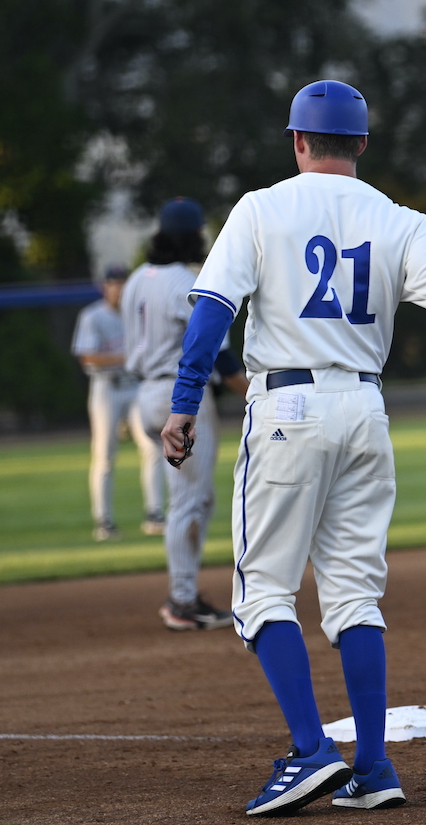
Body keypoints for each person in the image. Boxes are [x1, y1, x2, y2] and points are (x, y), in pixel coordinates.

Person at [160, 79, 426, 816]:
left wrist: (185, 399)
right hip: (365, 408)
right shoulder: (399, 220)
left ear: (296, 141)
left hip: (286, 404)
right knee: (354, 594)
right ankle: (375, 766)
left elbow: (212, 312)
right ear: (360, 144)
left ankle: (312, 751)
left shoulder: (261, 208)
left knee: (262, 594)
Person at [123, 197, 249, 631]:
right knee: (189, 500)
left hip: (146, 393)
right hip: (181, 398)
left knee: (195, 498)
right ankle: (181, 601)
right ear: (192, 236)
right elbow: (222, 357)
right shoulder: (185, 282)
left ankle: (185, 593)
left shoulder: (138, 278)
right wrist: (258, 394)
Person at [71, 265, 165, 541]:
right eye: (115, 283)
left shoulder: (137, 314)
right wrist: (127, 358)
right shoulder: (93, 315)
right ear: (105, 287)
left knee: (153, 447)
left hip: (135, 387)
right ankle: (104, 521)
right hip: (106, 389)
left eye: (123, 283)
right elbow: (87, 358)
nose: (119, 288)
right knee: (104, 455)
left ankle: (155, 514)